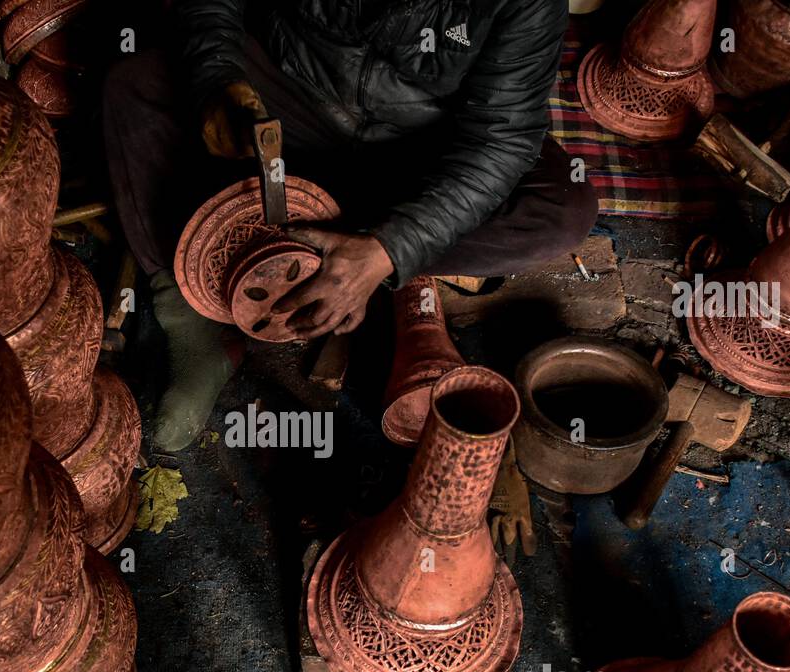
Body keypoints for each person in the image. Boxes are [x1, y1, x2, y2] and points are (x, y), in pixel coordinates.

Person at [103, 0, 599, 450]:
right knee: (135, 83)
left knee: (560, 209)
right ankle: (192, 324)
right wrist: (218, 76)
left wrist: (389, 248)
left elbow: (501, 141)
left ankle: (366, 251)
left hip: (423, 147)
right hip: (295, 96)